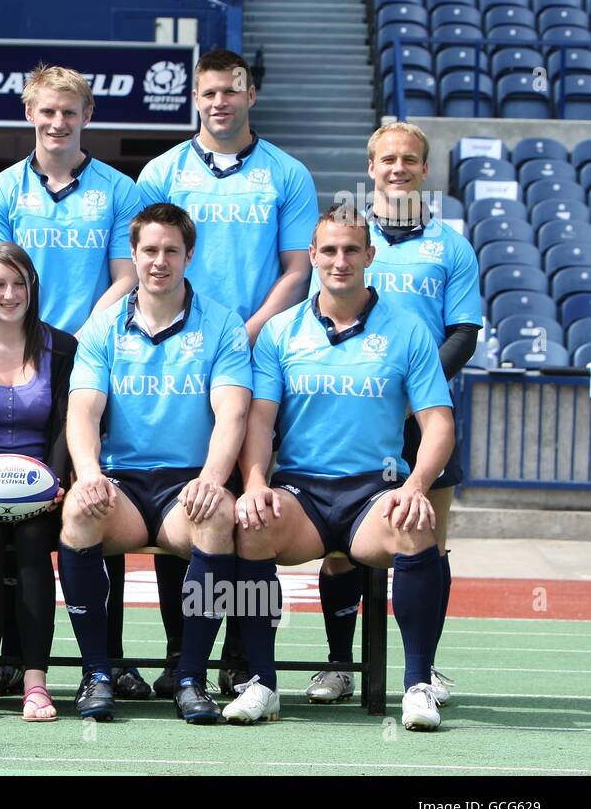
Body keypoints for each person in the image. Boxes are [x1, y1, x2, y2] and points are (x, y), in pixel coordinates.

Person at [136, 48, 318, 696]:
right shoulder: (161, 171)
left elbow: (299, 268)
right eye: (209, 92)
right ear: (195, 97)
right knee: (189, 500)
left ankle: (243, 655)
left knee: (252, 511)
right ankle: (177, 653)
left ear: (250, 96)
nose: (220, 102)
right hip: (182, 359)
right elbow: (144, 263)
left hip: (263, 355)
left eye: (231, 92)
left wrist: (248, 329)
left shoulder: (287, 175)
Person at [231, 204, 454, 731]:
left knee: (418, 522)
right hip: (302, 492)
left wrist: (418, 485)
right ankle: (262, 681)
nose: (340, 260)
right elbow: (258, 423)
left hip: (374, 492)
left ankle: (418, 684)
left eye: (351, 249)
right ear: (311, 256)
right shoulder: (282, 332)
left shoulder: (408, 331)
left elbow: (438, 423)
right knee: (249, 522)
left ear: (370, 255)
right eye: (328, 250)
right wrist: (257, 482)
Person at [0, 63, 147, 698]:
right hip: (19, 359)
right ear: (30, 114)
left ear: (87, 116)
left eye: (69, 112)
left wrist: (76, 342)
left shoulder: (118, 190)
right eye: (47, 111)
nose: (57, 122)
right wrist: (35, 340)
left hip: (90, 359)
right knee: (15, 503)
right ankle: (15, 659)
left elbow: (126, 276)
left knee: (96, 493)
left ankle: (113, 656)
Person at [306, 122, 481, 708]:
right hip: (349, 410)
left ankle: (422, 672)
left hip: (422, 413)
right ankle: (338, 664)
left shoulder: (450, 245)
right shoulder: (345, 237)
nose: (398, 168)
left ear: (424, 169)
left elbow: (464, 332)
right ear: (371, 166)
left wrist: (413, 390)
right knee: (337, 545)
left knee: (427, 538)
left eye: (410, 159)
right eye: (387, 159)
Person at [57, 203, 252, 722]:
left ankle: (190, 677)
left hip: (186, 483)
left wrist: (213, 480)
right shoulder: (103, 327)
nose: (159, 261)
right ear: (134, 255)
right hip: (121, 482)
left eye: (171, 250)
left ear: (190, 255)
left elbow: (231, 414)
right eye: (149, 250)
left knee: (216, 516)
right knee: (77, 510)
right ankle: (97, 673)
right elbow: (83, 410)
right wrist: (90, 471)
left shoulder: (223, 323)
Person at [0, 242, 75, 722]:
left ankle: (35, 681)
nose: (9, 294)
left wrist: (57, 479)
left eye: (19, 283)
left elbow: (69, 422)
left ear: (32, 288)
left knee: (30, 541)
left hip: (43, 489)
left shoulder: (60, 345)